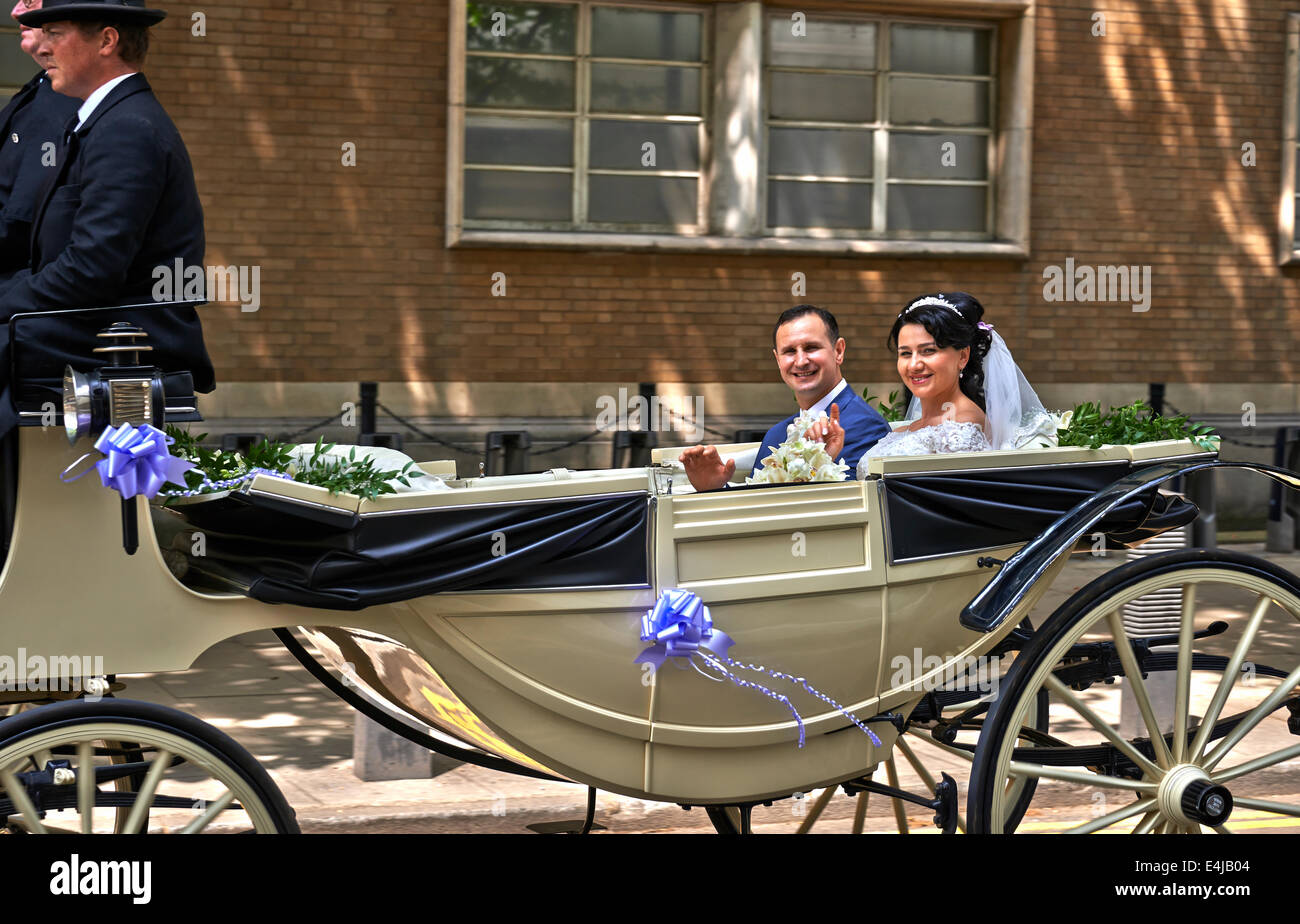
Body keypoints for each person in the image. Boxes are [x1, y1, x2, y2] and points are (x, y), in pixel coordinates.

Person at [0, 0, 214, 437]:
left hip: (125, 334)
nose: (43, 48)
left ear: (107, 41)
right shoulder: (103, 119)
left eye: (55, 34)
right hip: (92, 323)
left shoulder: (128, 127)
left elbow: (90, 271)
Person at [679, 305, 891, 491]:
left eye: (811, 347)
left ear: (838, 351)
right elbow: (758, 510)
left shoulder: (867, 427)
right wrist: (714, 489)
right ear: (778, 360)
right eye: (789, 351)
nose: (800, 361)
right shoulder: (776, 434)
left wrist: (820, 463)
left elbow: (850, 514)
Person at [849, 292, 1054, 476]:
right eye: (905, 353)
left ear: (963, 356)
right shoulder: (914, 427)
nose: (914, 364)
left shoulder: (962, 430)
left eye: (928, 351)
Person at [0, 0, 81, 283]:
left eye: (32, 0)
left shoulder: (65, 99)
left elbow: (20, 224)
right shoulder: (41, 87)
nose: (16, 11)